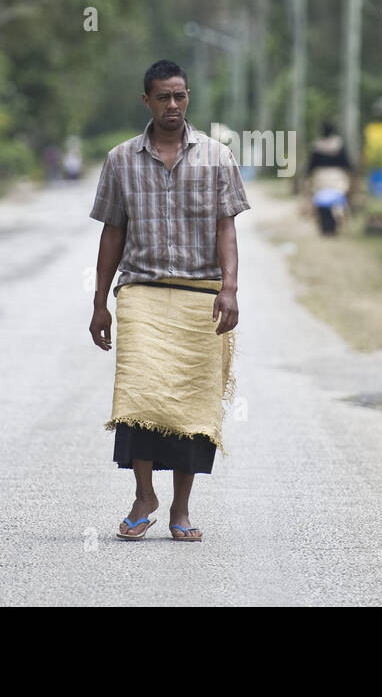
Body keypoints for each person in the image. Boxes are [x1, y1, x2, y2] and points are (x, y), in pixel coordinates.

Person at [87, 59, 250, 542]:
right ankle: (144, 495)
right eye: (163, 97)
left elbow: (228, 228)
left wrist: (230, 288)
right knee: (140, 392)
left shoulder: (217, 157)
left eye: (180, 96)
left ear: (188, 98)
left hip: (200, 295)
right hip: (142, 293)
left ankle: (181, 508)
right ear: (147, 101)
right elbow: (112, 235)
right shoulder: (120, 160)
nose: (173, 105)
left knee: (192, 405)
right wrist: (100, 302)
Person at [305, 121, 353, 235]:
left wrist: (307, 178)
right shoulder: (339, 145)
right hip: (337, 178)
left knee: (322, 204)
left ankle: (325, 227)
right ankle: (335, 224)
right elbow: (347, 164)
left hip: (320, 179)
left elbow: (311, 166)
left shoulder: (317, 146)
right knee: (336, 203)